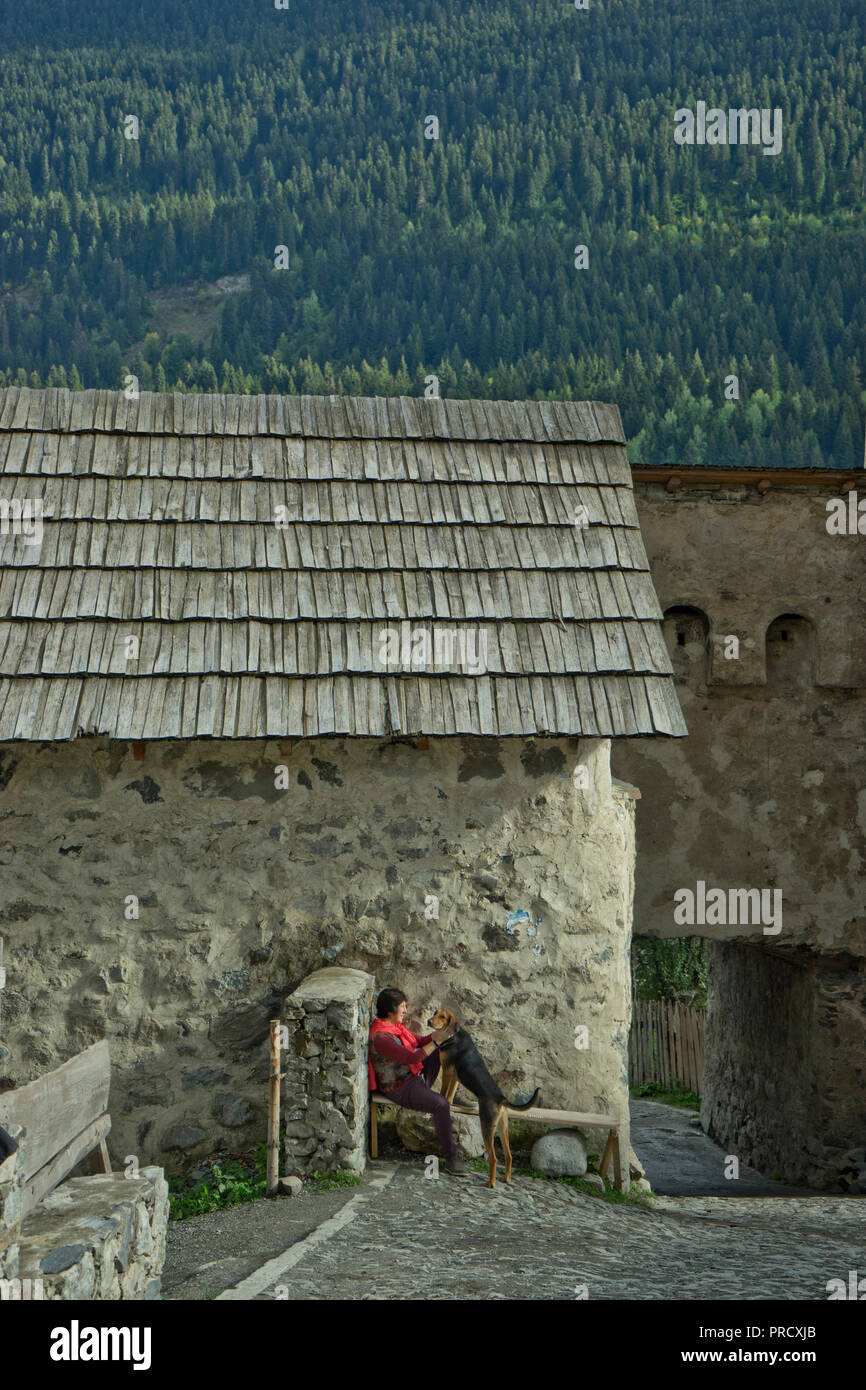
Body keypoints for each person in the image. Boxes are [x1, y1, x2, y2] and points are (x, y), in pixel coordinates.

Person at [368, 986, 468, 1176]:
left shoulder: (393, 1027)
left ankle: (455, 1088)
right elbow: (412, 1058)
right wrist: (437, 1041)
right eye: (403, 1006)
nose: (406, 1010)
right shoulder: (381, 1037)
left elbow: (420, 1041)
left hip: (413, 1077)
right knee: (441, 1104)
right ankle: (452, 1157)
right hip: (400, 1088)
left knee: (443, 1049)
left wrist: (439, 1035)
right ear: (391, 1010)